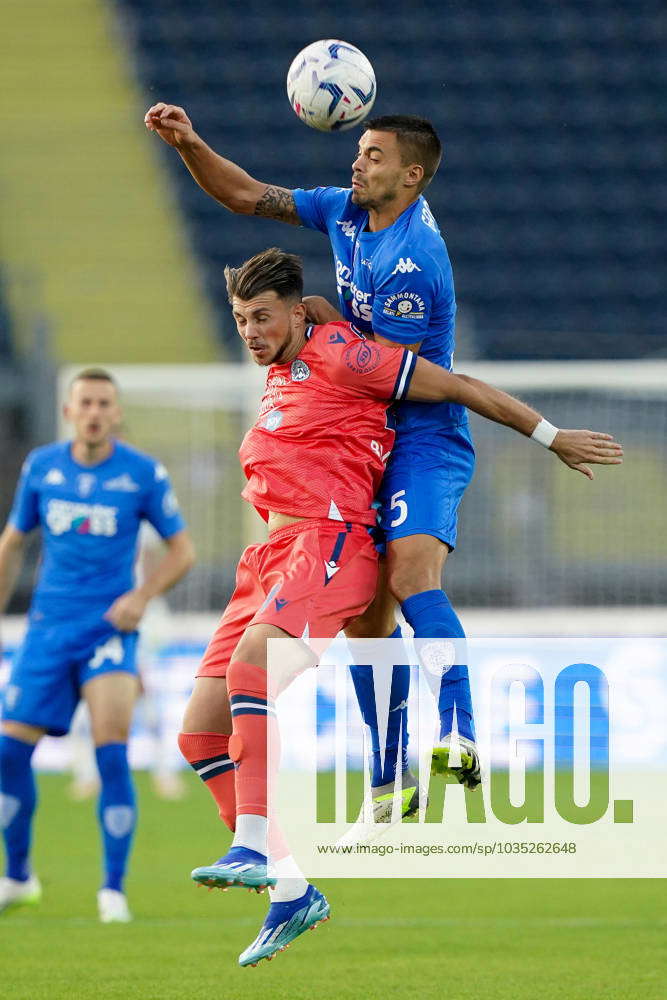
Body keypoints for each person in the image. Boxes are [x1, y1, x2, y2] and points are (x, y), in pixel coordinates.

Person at [175, 247, 621, 967]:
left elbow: (458, 385)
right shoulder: (284, 363)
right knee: (199, 735)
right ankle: (291, 891)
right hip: (265, 559)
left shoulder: (346, 356)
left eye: (261, 317)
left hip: (328, 543)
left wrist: (551, 437)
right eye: (239, 319)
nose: (250, 332)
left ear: (295, 312)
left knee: (254, 666)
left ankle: (252, 840)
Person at [142, 105, 488, 816]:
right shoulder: (345, 211)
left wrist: (546, 433)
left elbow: (402, 374)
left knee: (410, 573)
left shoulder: (414, 258)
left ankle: (460, 734)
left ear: (411, 174)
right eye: (358, 149)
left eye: (373, 154)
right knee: (368, 623)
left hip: (417, 429)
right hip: (361, 434)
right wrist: (189, 143)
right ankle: (390, 773)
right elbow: (245, 195)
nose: (356, 161)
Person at [0, 368, 195, 921]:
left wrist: (142, 597)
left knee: (111, 752)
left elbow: (183, 552)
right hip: (47, 628)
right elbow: (12, 541)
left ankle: (113, 890)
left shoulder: (142, 473)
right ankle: (18, 876)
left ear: (116, 413)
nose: (93, 412)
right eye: (84, 402)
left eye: (103, 403)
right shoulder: (42, 467)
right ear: (69, 411)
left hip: (109, 630)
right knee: (8, 754)